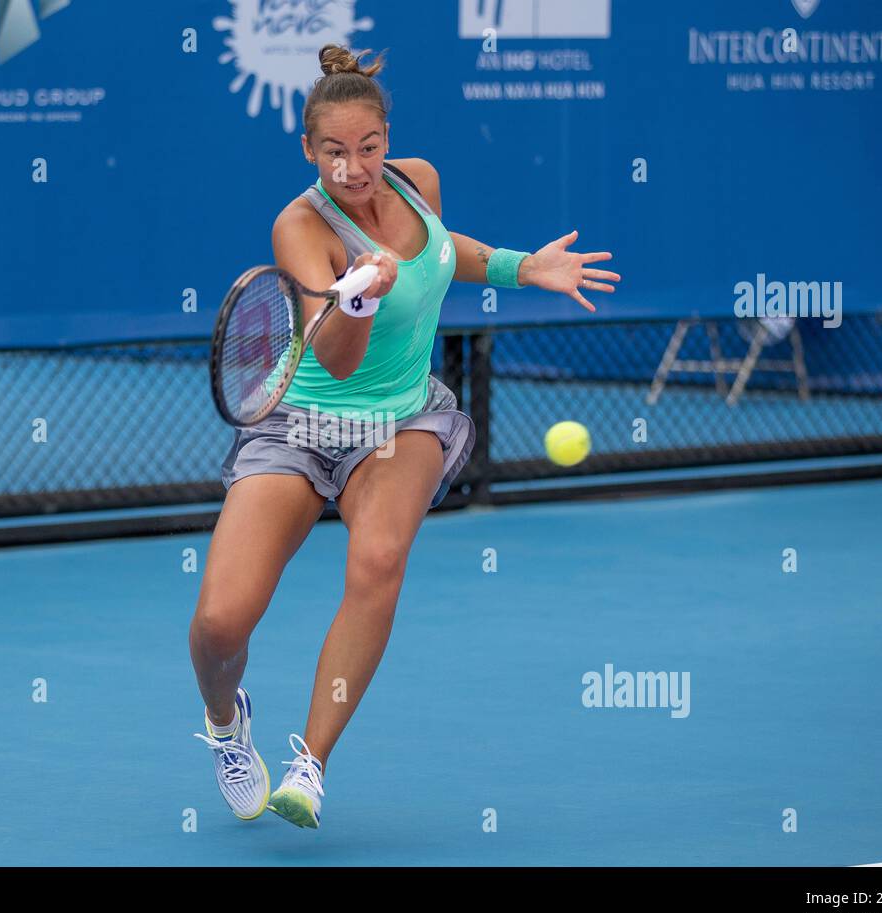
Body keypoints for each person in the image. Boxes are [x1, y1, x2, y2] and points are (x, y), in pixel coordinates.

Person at [190, 44, 620, 828]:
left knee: (380, 556)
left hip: (403, 420)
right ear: (306, 149)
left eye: (367, 147)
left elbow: (444, 253)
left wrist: (526, 268)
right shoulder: (299, 227)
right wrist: (355, 300)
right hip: (303, 422)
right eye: (333, 153)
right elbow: (338, 364)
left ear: (388, 137)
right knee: (220, 623)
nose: (353, 168)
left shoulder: (418, 180)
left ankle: (309, 765)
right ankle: (226, 725)